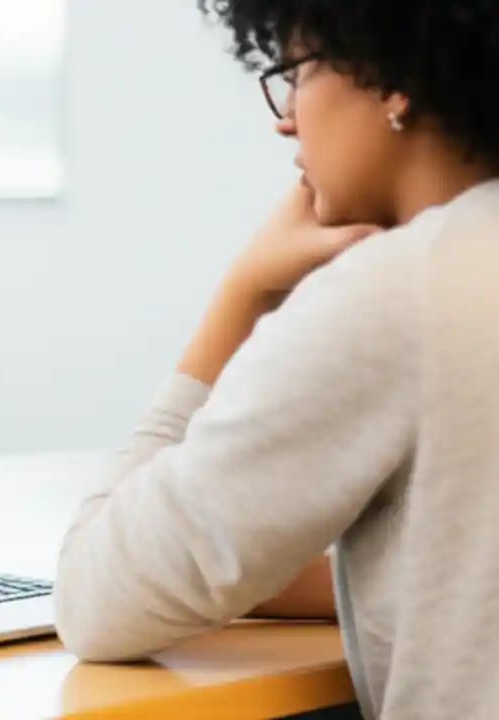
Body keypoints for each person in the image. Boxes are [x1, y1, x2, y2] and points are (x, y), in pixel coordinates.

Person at [55, 2, 499, 717]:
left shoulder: (403, 290)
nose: (286, 119)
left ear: (389, 79)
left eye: (296, 73)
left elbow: (94, 596)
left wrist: (241, 293)